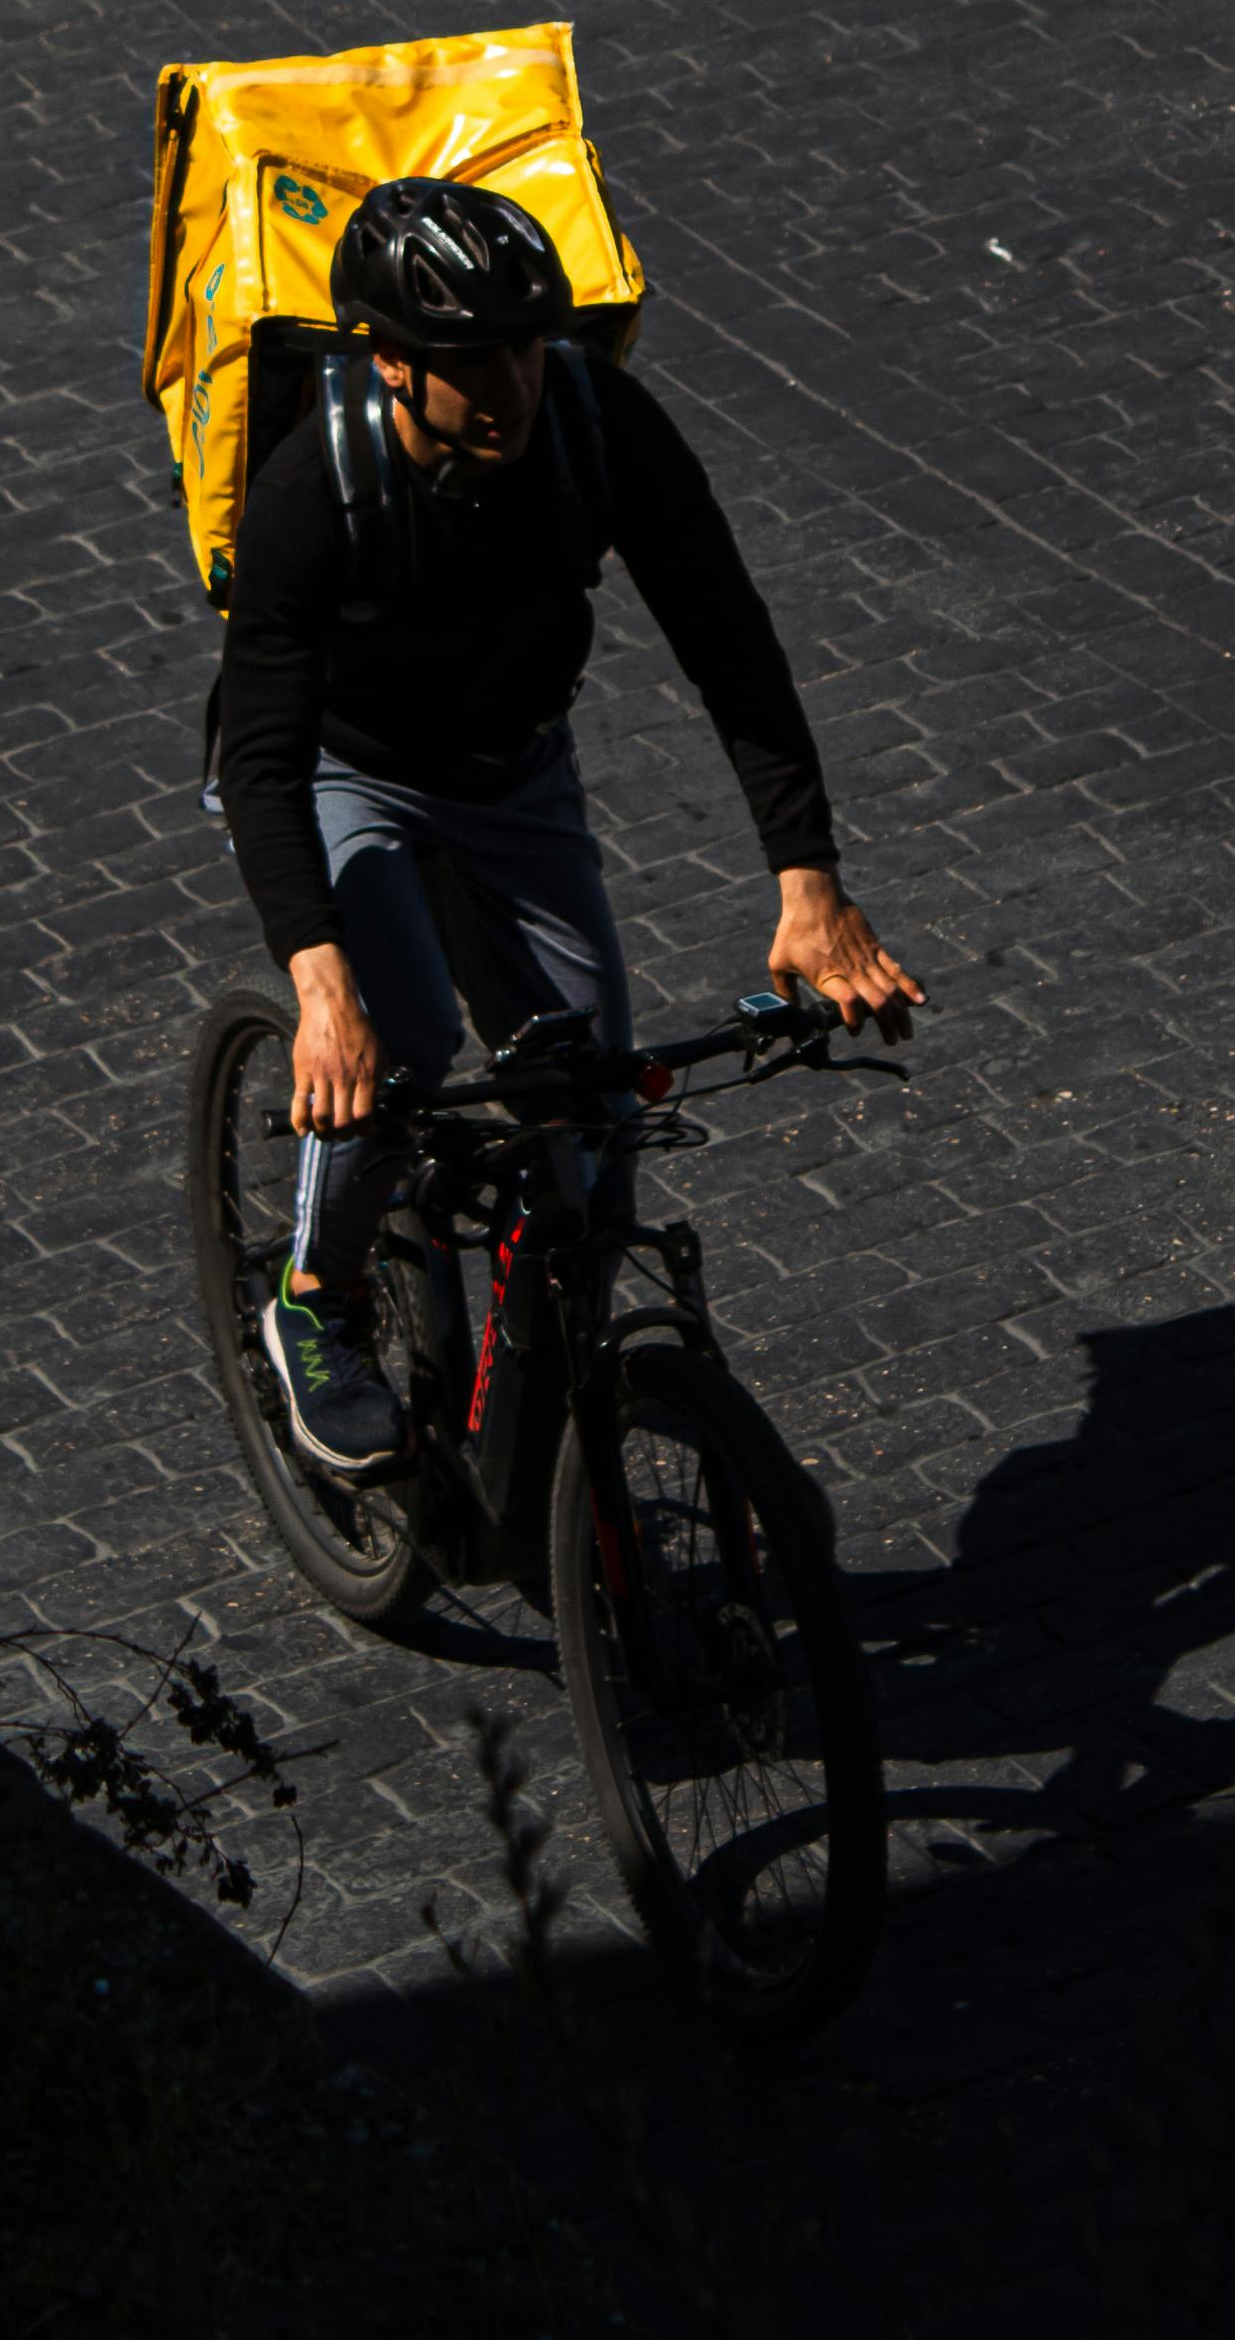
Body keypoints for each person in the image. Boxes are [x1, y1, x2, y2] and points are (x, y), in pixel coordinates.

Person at [214, 179, 921, 1479]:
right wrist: (320, 987)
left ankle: (554, 1418)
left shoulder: (600, 424)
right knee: (398, 1044)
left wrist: (808, 882)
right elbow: (257, 758)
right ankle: (315, 1299)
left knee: (590, 1110)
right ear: (390, 361)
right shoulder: (313, 484)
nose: (510, 388)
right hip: (348, 773)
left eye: (525, 349)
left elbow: (728, 641)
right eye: (469, 362)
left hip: (516, 778)